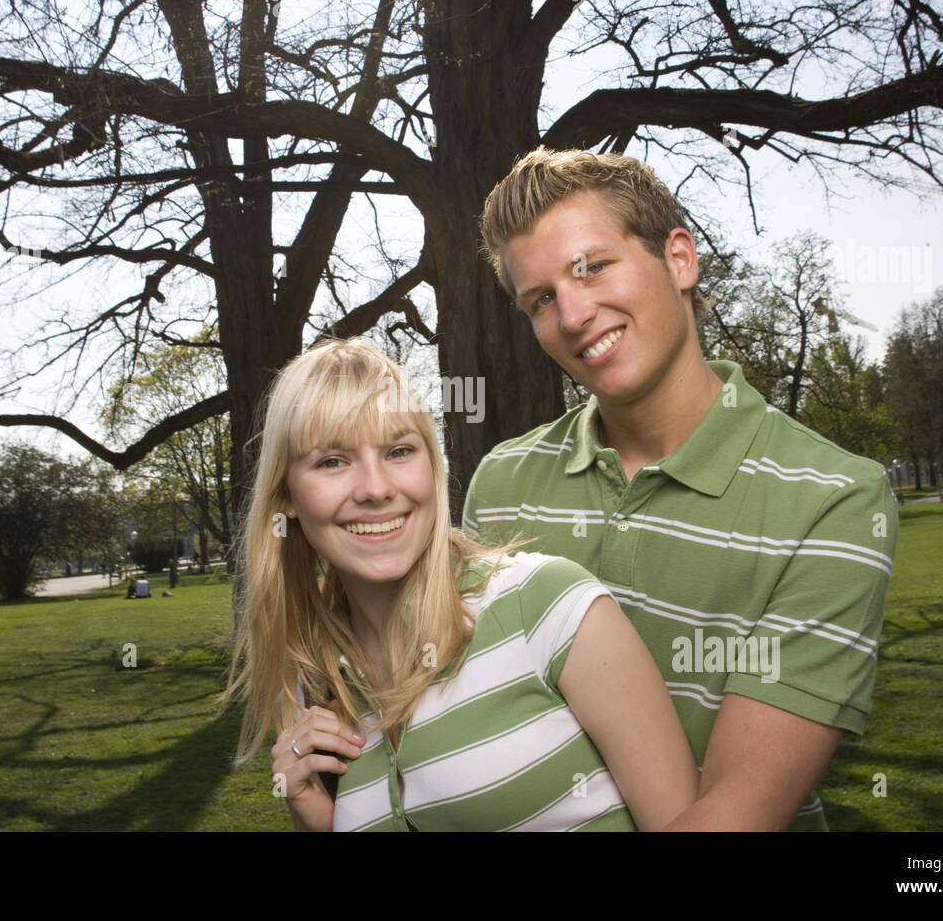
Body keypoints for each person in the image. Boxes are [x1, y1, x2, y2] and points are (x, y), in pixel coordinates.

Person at [466, 147, 898, 831]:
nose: (573, 316)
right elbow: (460, 728)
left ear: (679, 259)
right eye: (541, 300)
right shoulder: (501, 483)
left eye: (593, 267)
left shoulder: (837, 500)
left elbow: (734, 816)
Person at [222, 339, 698, 831]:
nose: (376, 488)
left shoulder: (547, 605)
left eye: (399, 451)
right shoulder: (321, 683)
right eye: (332, 462)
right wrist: (318, 819)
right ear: (288, 499)